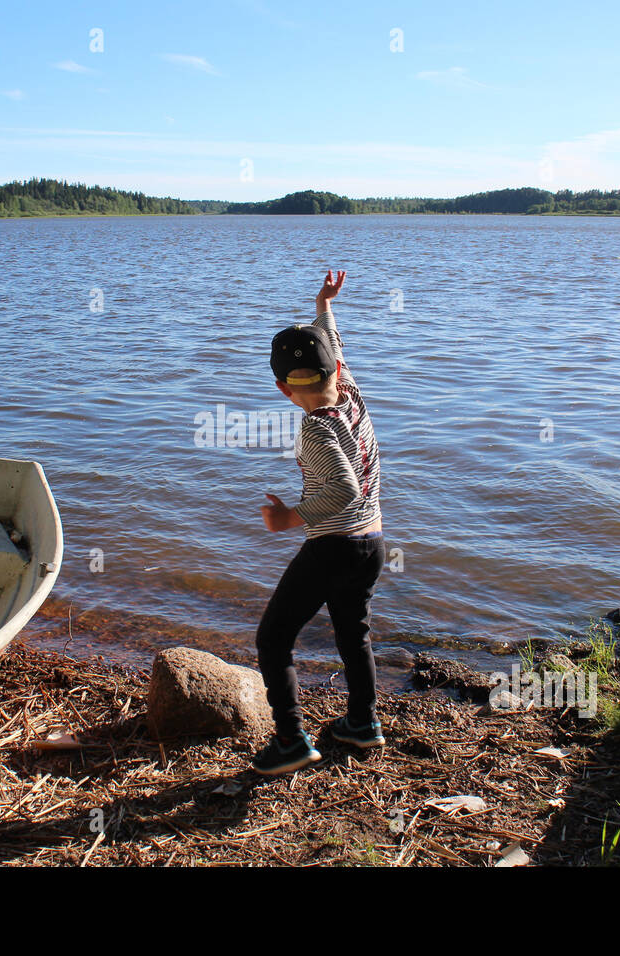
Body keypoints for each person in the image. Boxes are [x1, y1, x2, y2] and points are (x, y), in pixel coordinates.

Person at [252, 269, 386, 775]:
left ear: (284, 389)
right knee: (354, 632)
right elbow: (331, 342)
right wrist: (323, 305)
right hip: (371, 542)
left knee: (273, 637)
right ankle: (363, 724)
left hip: (333, 545)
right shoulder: (350, 391)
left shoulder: (313, 429)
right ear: (334, 371)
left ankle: (290, 741)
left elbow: (343, 489)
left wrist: (292, 516)